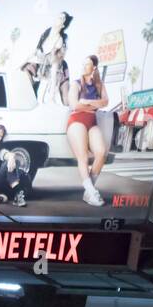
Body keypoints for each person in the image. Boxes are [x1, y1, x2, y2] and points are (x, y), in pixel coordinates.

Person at [67, 54, 110, 206]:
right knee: (83, 157)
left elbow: (105, 102)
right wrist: (93, 105)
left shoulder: (99, 85)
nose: (84, 66)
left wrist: (87, 101)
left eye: (87, 64)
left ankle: (88, 190)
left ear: (94, 68)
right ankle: (91, 192)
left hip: (92, 122)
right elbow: (74, 105)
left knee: (101, 152)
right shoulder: (76, 84)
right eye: (83, 64)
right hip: (77, 120)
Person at [22, 11, 72, 104]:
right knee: (25, 69)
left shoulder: (59, 41)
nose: (58, 19)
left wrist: (52, 94)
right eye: (58, 16)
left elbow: (54, 68)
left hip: (56, 66)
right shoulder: (46, 32)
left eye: (61, 18)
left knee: (64, 97)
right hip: (42, 63)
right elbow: (36, 51)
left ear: (63, 25)